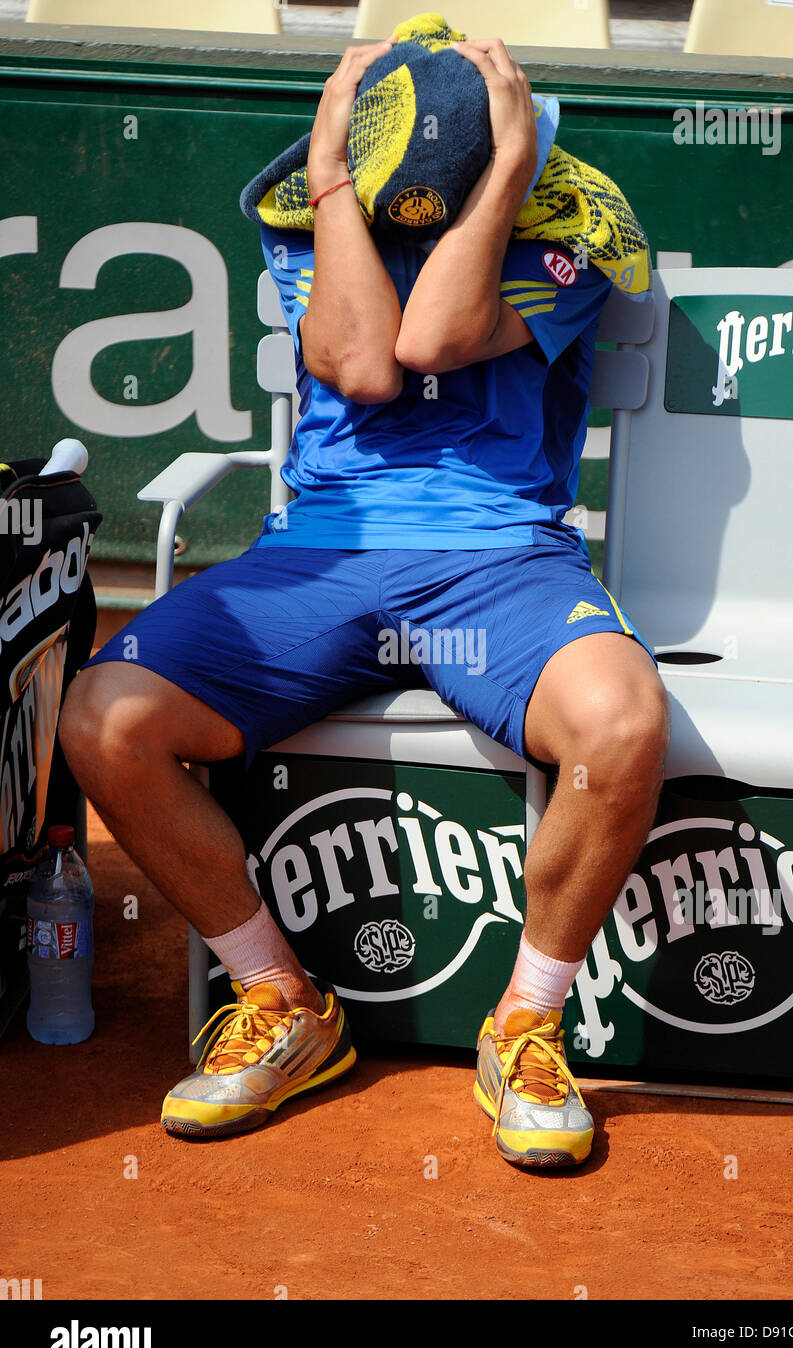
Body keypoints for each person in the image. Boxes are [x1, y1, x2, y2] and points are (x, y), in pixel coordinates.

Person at [59, 25, 668, 1169]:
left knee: (622, 723)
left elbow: (433, 333)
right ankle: (284, 1001)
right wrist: (334, 170)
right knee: (104, 719)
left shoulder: (569, 229)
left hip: (500, 563)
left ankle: (526, 1020)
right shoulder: (309, 211)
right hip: (320, 563)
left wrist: (505, 169)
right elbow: (365, 364)